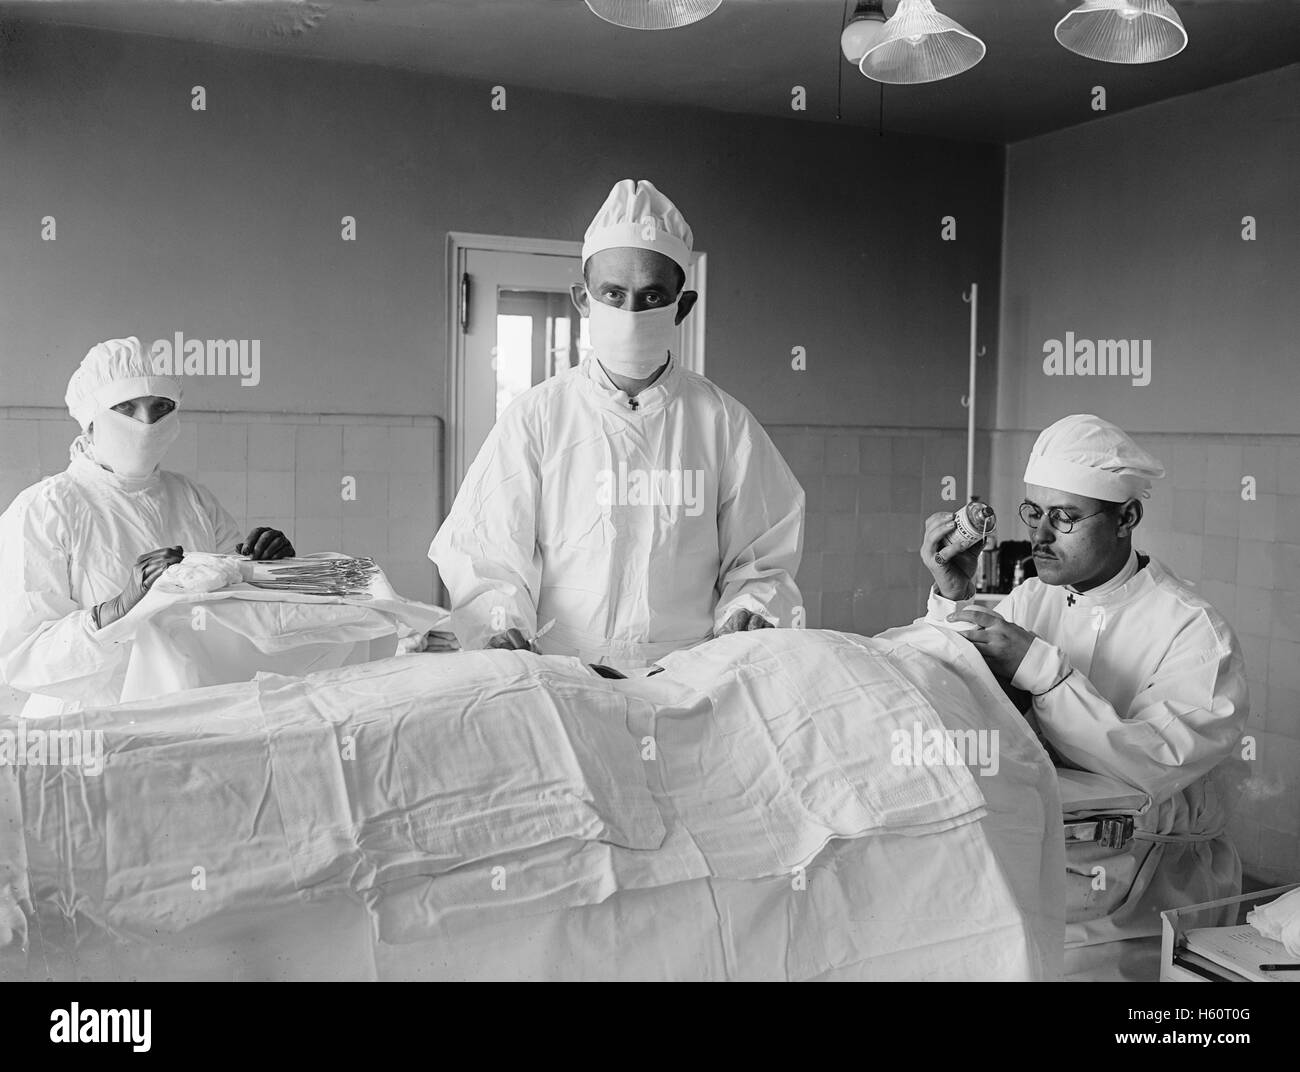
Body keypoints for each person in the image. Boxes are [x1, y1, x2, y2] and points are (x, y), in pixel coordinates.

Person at [431, 179, 804, 666]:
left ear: (682, 306)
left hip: (689, 676)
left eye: (651, 298)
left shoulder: (724, 425)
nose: (629, 313)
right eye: (612, 294)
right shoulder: (537, 418)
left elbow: (762, 561)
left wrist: (750, 611)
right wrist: (500, 625)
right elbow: (486, 556)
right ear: (583, 301)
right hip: (561, 673)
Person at [920, 413, 1248, 956]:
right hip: (1046, 863)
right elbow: (957, 702)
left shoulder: (1194, 633)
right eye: (1034, 513)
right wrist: (953, 600)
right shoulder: (1032, 599)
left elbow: (1147, 769)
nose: (1039, 536)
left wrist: (1040, 669)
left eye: (1065, 517)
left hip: (1150, 894)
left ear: (1127, 517)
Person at [0, 336, 295, 717]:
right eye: (126, 407)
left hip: (190, 711)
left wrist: (266, 570)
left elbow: (237, 614)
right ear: (90, 421)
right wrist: (117, 610)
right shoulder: (44, 509)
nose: (146, 423)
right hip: (86, 726)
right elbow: (21, 658)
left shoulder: (192, 498)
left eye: (161, 407)